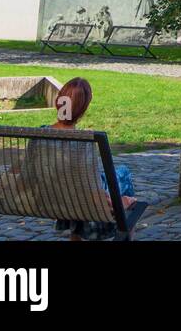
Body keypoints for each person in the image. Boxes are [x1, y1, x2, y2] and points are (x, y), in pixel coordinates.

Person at [28, 78, 137, 241]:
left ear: (58, 101)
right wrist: (119, 202)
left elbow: (27, 174)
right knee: (123, 174)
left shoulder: (39, 134)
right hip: (79, 200)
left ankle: (77, 235)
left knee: (84, 188)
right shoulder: (82, 143)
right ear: (83, 109)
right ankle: (126, 234)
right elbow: (92, 191)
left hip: (54, 197)